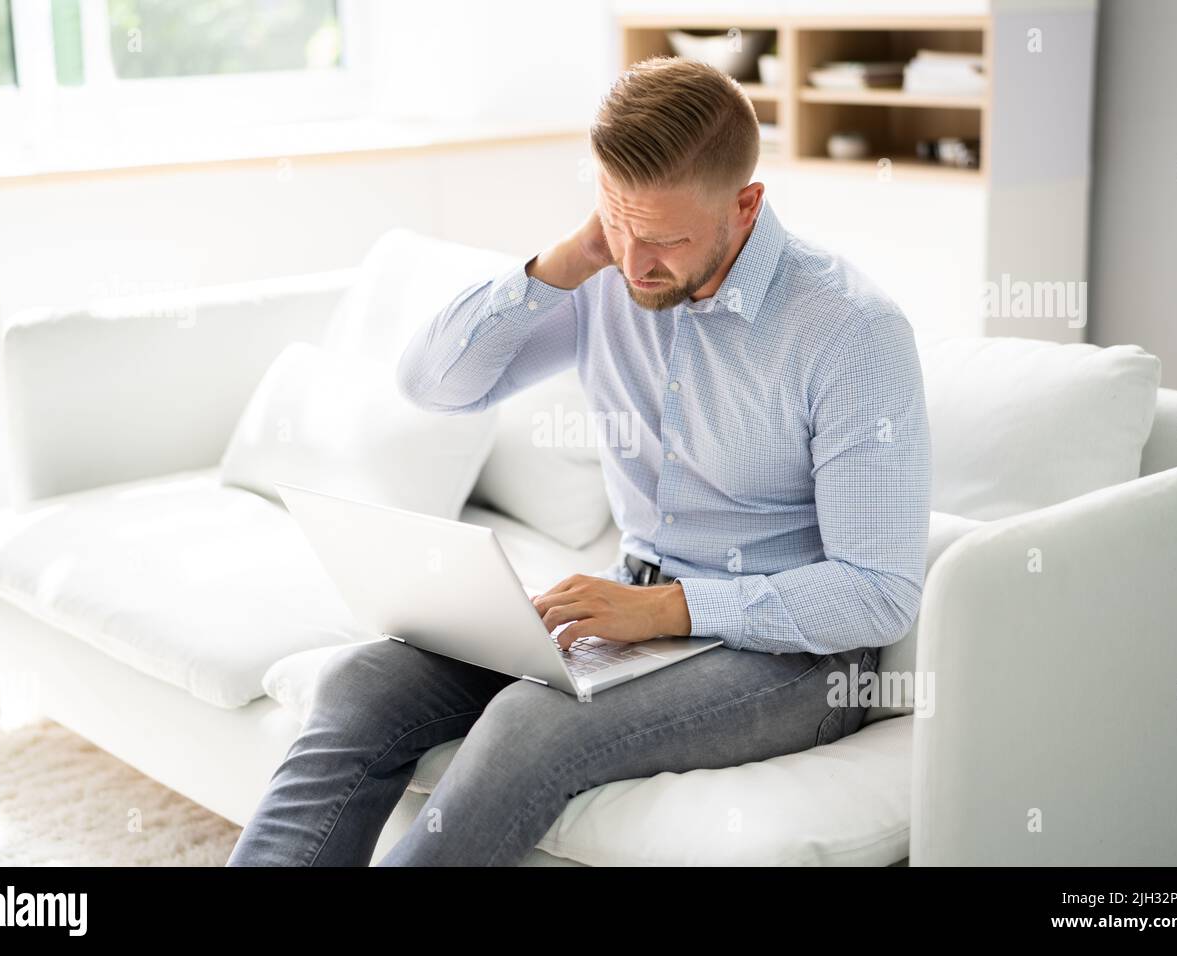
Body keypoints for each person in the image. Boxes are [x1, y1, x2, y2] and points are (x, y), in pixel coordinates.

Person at [226, 55, 930, 867]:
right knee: (365, 682)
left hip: (794, 659)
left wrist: (669, 610)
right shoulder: (610, 275)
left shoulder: (850, 331)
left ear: (746, 206)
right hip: (635, 604)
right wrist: (558, 265)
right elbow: (432, 385)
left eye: (664, 239)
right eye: (617, 223)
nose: (635, 266)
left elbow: (879, 596)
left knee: (532, 723)